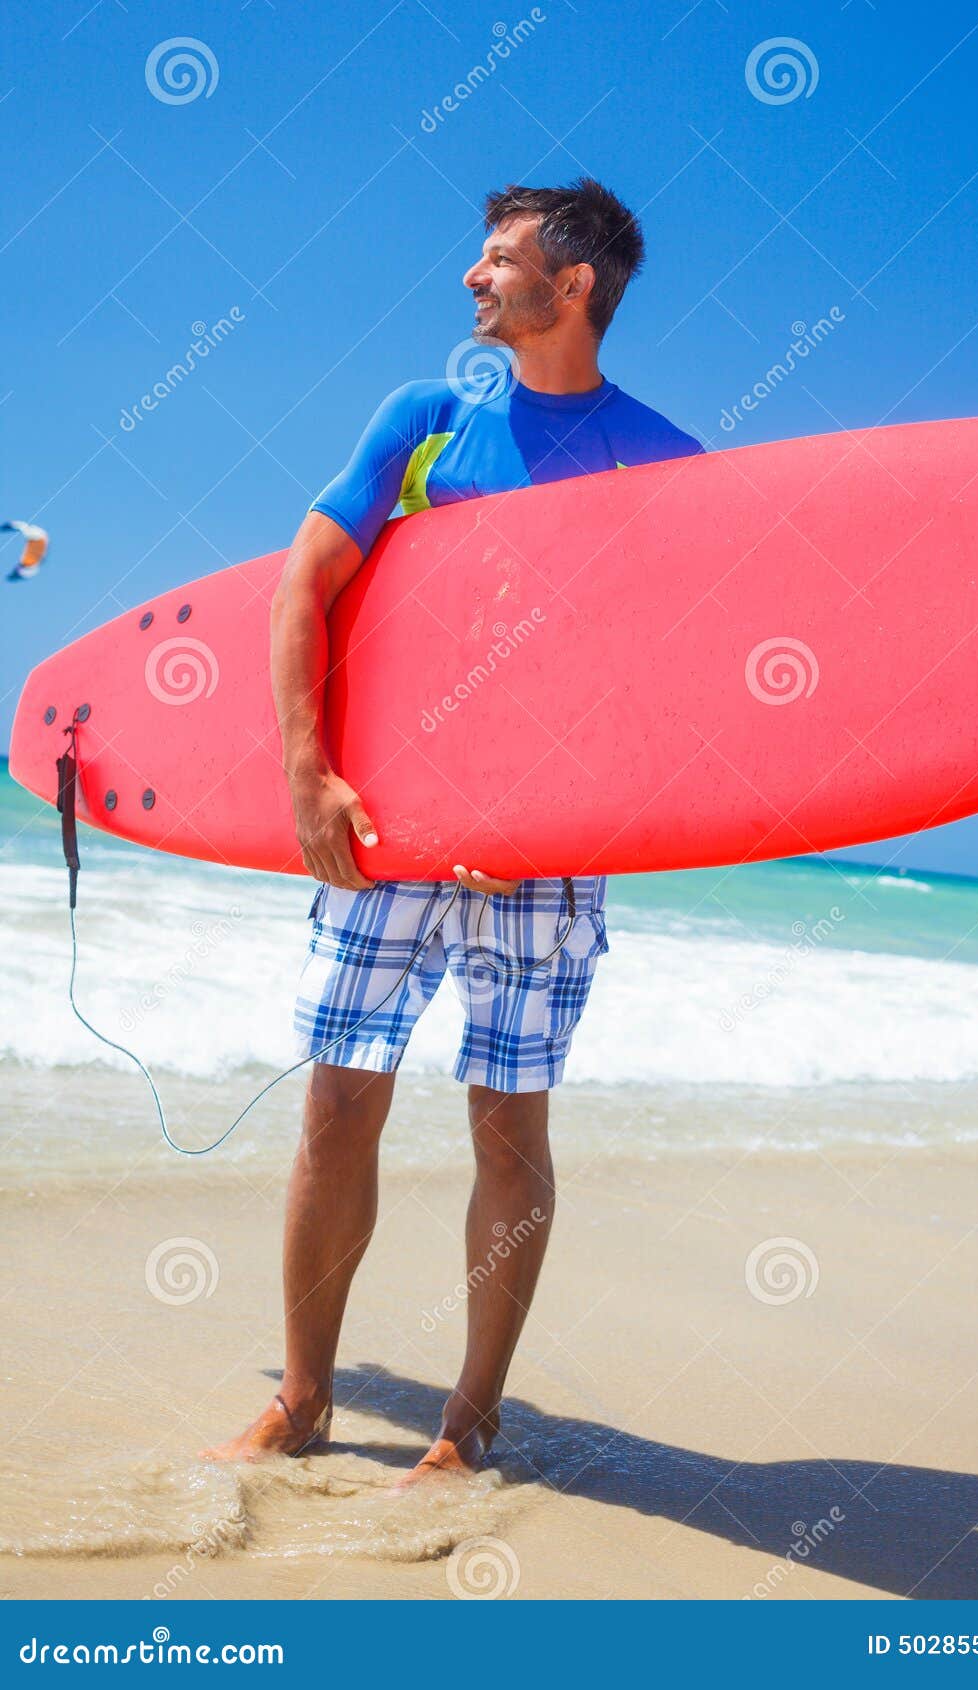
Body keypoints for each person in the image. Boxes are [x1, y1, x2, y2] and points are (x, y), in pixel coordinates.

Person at [201, 178, 702, 1480]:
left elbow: (679, 682)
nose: (471, 280)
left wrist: (554, 811)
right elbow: (302, 585)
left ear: (572, 282)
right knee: (335, 1108)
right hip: (391, 821)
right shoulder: (427, 419)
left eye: (497, 260)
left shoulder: (660, 462)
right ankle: (305, 1394)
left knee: (507, 1127)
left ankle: (465, 1425)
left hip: (545, 847)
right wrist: (310, 774)